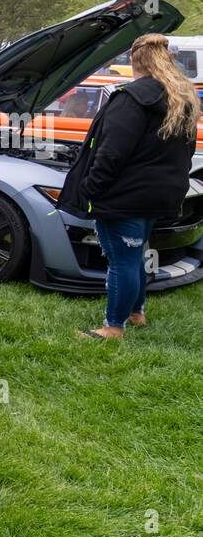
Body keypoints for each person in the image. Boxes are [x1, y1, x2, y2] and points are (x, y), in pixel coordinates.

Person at [57, 33, 198, 340]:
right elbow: (185, 150)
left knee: (122, 260)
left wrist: (91, 187)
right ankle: (137, 312)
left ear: (135, 61)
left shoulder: (131, 98)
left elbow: (111, 152)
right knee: (136, 254)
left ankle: (113, 326)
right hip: (160, 195)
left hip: (125, 196)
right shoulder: (181, 98)